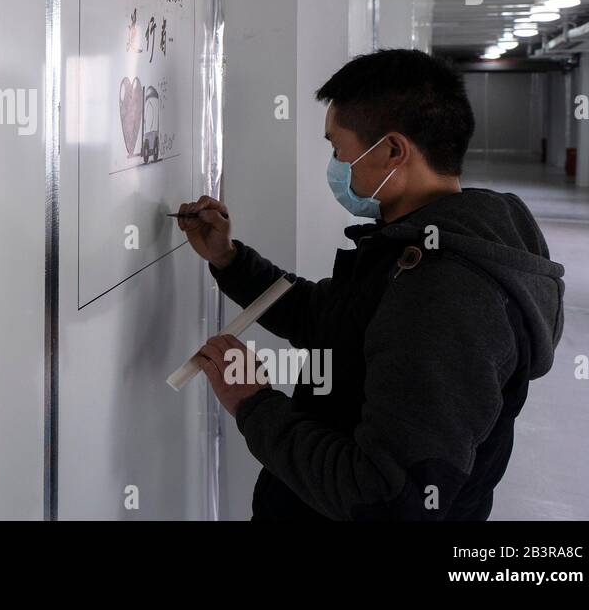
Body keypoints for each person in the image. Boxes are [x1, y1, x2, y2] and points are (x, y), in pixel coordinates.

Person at [177, 48, 564, 520]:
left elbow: (387, 498)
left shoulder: (446, 291)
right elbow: (330, 317)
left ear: (393, 151)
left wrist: (254, 403)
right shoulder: (418, 244)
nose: (336, 164)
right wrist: (228, 258)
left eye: (338, 148)